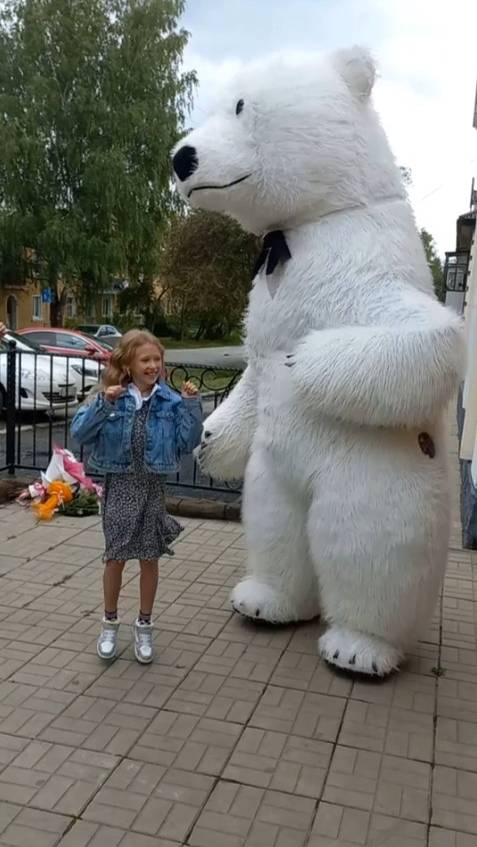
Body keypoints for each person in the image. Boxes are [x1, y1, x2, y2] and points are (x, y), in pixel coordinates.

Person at [71, 329, 202, 664]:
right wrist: (105, 403)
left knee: (149, 558)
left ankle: (144, 625)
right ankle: (110, 623)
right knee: (114, 557)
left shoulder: (170, 401)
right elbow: (80, 433)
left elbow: (187, 443)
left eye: (157, 359)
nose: (153, 365)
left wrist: (191, 405)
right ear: (128, 364)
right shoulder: (111, 396)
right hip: (120, 488)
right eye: (145, 359)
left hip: (150, 491)